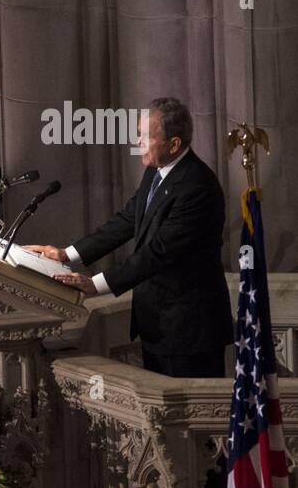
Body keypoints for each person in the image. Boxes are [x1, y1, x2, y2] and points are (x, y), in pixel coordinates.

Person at [24, 97, 232, 377]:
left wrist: (95, 284)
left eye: (146, 136)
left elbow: (158, 252)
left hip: (188, 331)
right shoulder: (156, 170)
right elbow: (127, 220)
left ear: (174, 144)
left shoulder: (197, 186)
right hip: (158, 324)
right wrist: (67, 254)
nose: (138, 143)